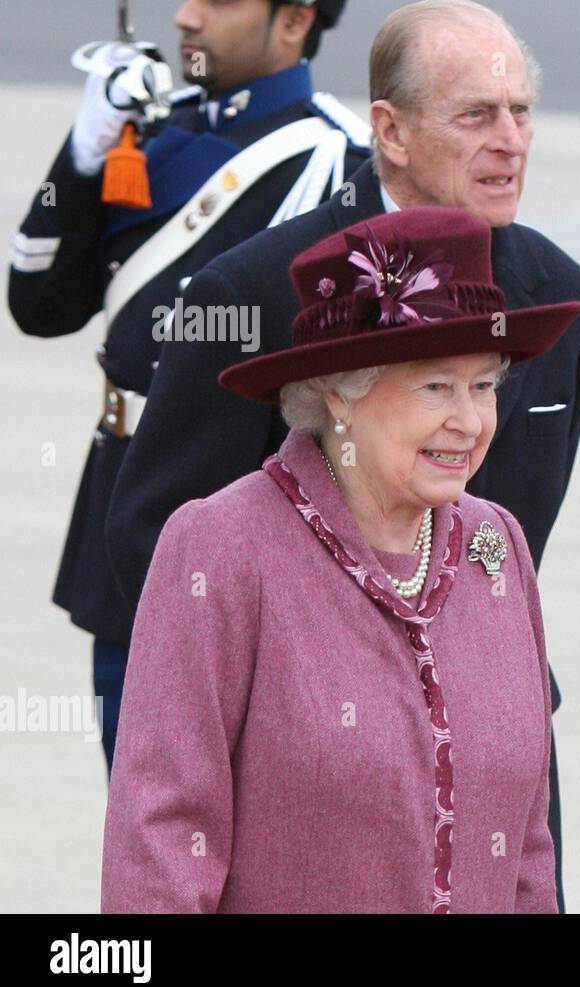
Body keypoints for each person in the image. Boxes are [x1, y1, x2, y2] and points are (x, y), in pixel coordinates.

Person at [103, 0, 580, 909]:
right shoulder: (249, 290)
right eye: (476, 114)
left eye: (520, 111)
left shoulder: (565, 295)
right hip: (297, 780)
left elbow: (505, 537)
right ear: (391, 130)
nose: (509, 140)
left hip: (486, 748)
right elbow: (154, 559)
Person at [7, 0, 367, 773]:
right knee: (144, 807)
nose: (186, 17)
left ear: (296, 19)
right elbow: (39, 304)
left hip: (243, 511)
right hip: (126, 500)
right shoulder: (146, 131)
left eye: (220, 0)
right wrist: (82, 151)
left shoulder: (339, 162)